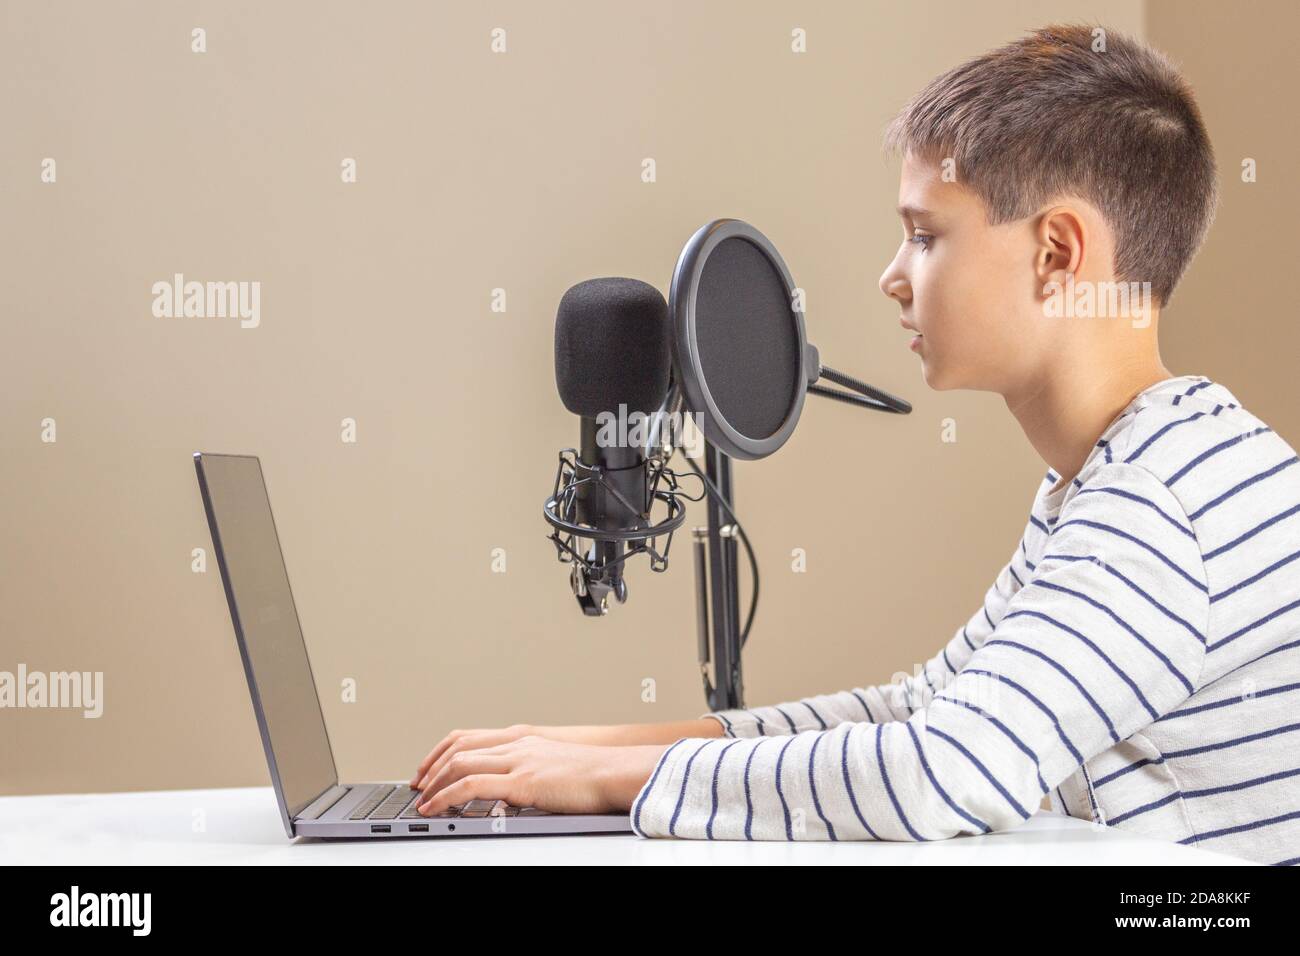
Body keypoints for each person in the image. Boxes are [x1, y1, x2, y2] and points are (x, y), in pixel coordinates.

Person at [408, 24, 1300, 866]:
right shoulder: (1130, 474)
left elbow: (942, 771)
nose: (892, 276)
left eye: (925, 235)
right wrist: (593, 748)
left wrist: (613, 781)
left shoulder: (1159, 504)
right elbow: (925, 710)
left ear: (1057, 253)